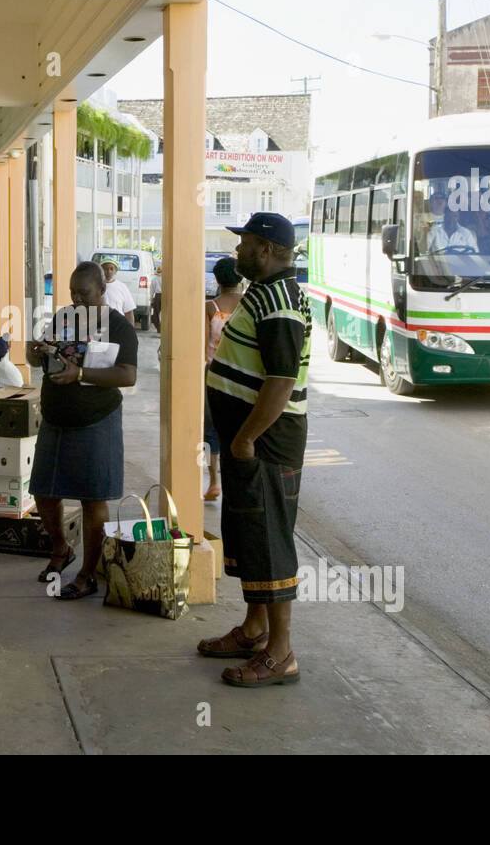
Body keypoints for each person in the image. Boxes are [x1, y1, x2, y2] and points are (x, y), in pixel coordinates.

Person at [200, 212, 311, 688]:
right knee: (250, 536)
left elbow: (282, 381)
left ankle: (280, 654)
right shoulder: (264, 292)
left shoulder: (281, 301)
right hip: (249, 442)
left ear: (266, 249)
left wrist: (244, 438)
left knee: (269, 542)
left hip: (266, 443)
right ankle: (254, 629)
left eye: (244, 243)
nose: (237, 252)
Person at [26, 262, 138, 599]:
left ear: (102, 291)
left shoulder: (118, 327)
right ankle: (61, 549)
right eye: (73, 293)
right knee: (43, 492)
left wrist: (80, 374)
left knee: (93, 498)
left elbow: (128, 375)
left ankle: (88, 574)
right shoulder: (63, 317)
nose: (77, 299)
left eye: (84, 294)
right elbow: (40, 359)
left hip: (96, 420)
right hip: (56, 419)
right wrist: (35, 353)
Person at [203, 256, 242, 502]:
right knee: (238, 428)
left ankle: (214, 483)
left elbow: (203, 342)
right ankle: (234, 481)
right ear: (240, 278)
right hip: (242, 375)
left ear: (217, 280)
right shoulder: (248, 304)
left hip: (213, 373)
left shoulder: (210, 307)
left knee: (210, 431)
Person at [149, 265, 162, 332]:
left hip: (157, 296)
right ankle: (163, 327)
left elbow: (151, 290)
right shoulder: (166, 278)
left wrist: (151, 300)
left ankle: (158, 328)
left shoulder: (154, 279)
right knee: (163, 313)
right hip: (165, 296)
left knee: (156, 313)